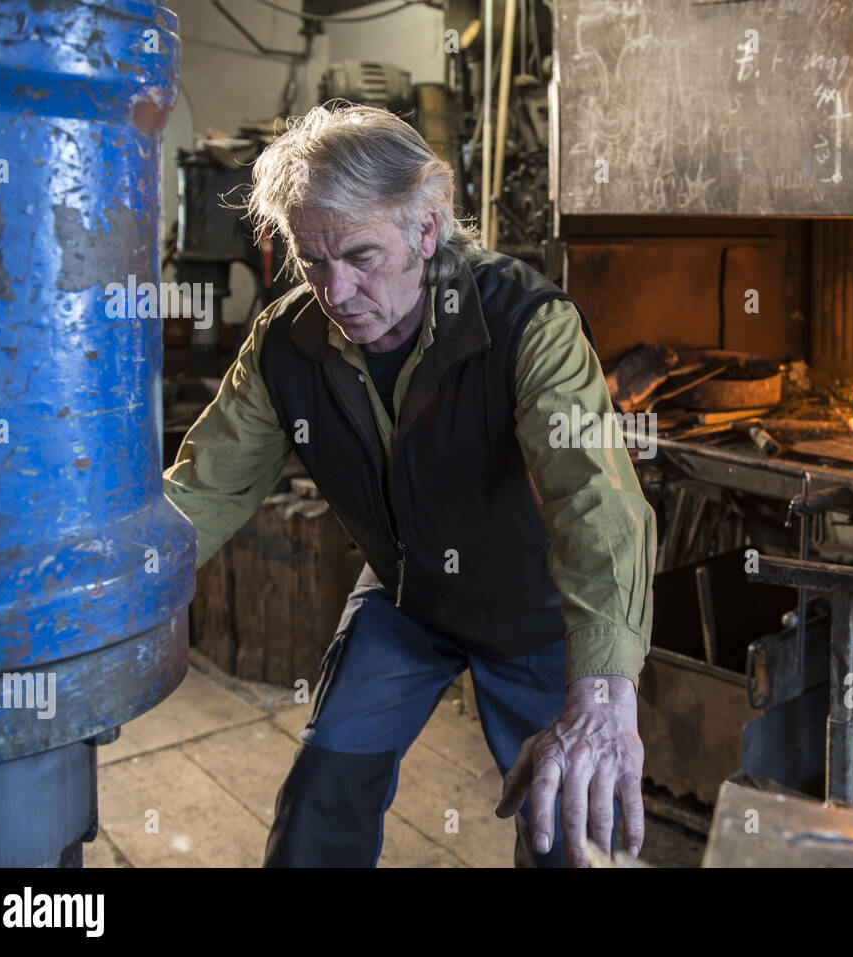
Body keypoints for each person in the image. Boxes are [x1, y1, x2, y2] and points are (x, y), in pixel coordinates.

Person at [163, 103, 656, 868]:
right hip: (405, 597)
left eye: (361, 254)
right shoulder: (285, 344)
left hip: (534, 609)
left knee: (572, 837)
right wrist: (102, 610)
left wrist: (602, 692)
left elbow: (594, 500)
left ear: (427, 229)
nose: (336, 288)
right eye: (311, 259)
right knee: (319, 802)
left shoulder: (525, 321)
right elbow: (202, 492)